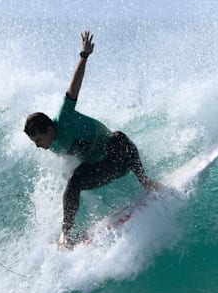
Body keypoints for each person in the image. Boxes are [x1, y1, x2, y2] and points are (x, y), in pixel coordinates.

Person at [23, 31, 161, 249]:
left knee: (118, 137)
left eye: (38, 139)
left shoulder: (64, 117)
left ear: (49, 128)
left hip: (120, 159)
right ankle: (66, 234)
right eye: (35, 143)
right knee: (74, 181)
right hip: (103, 170)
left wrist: (84, 55)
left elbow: (73, 87)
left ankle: (146, 181)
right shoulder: (52, 145)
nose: (39, 146)